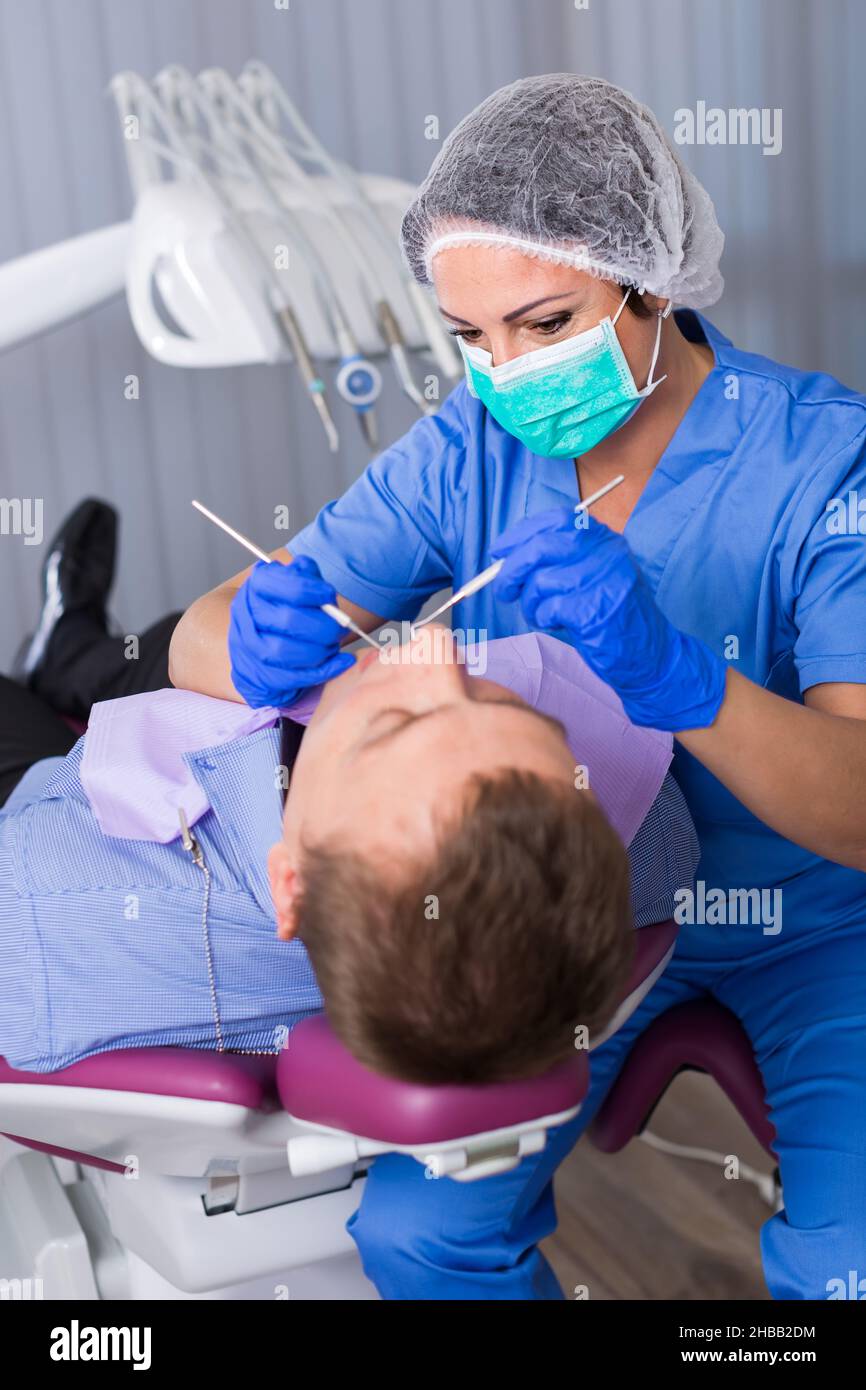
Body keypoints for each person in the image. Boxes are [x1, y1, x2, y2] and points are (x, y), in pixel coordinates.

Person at [166, 74, 866, 1299]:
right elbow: (199, 633)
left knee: (845, 1268)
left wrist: (681, 677)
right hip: (564, 929)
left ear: (650, 282)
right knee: (417, 1236)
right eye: (470, 338)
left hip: (812, 927)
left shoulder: (821, 461)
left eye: (545, 324)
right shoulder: (470, 449)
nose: (505, 374)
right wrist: (246, 641)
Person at [0, 507, 697, 1079]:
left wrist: (228, 605)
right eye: (508, 707)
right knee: (139, 660)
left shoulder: (41, 908)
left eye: (394, 724)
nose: (434, 651)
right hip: (213, 717)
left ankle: (60, 659)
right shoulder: (648, 841)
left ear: (291, 887)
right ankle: (67, 649)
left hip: (45, 791)